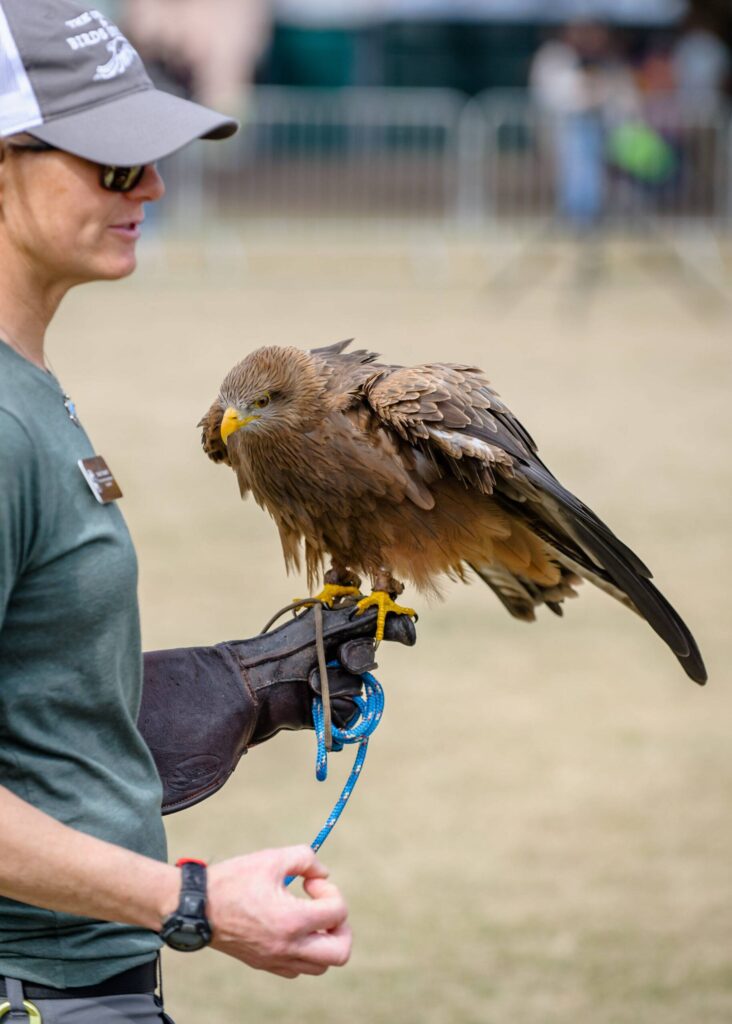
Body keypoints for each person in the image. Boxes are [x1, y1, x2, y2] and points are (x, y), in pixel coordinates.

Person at [0, 1, 412, 1021]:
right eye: (110, 160)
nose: (152, 184)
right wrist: (191, 899)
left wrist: (240, 687)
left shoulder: (28, 388)